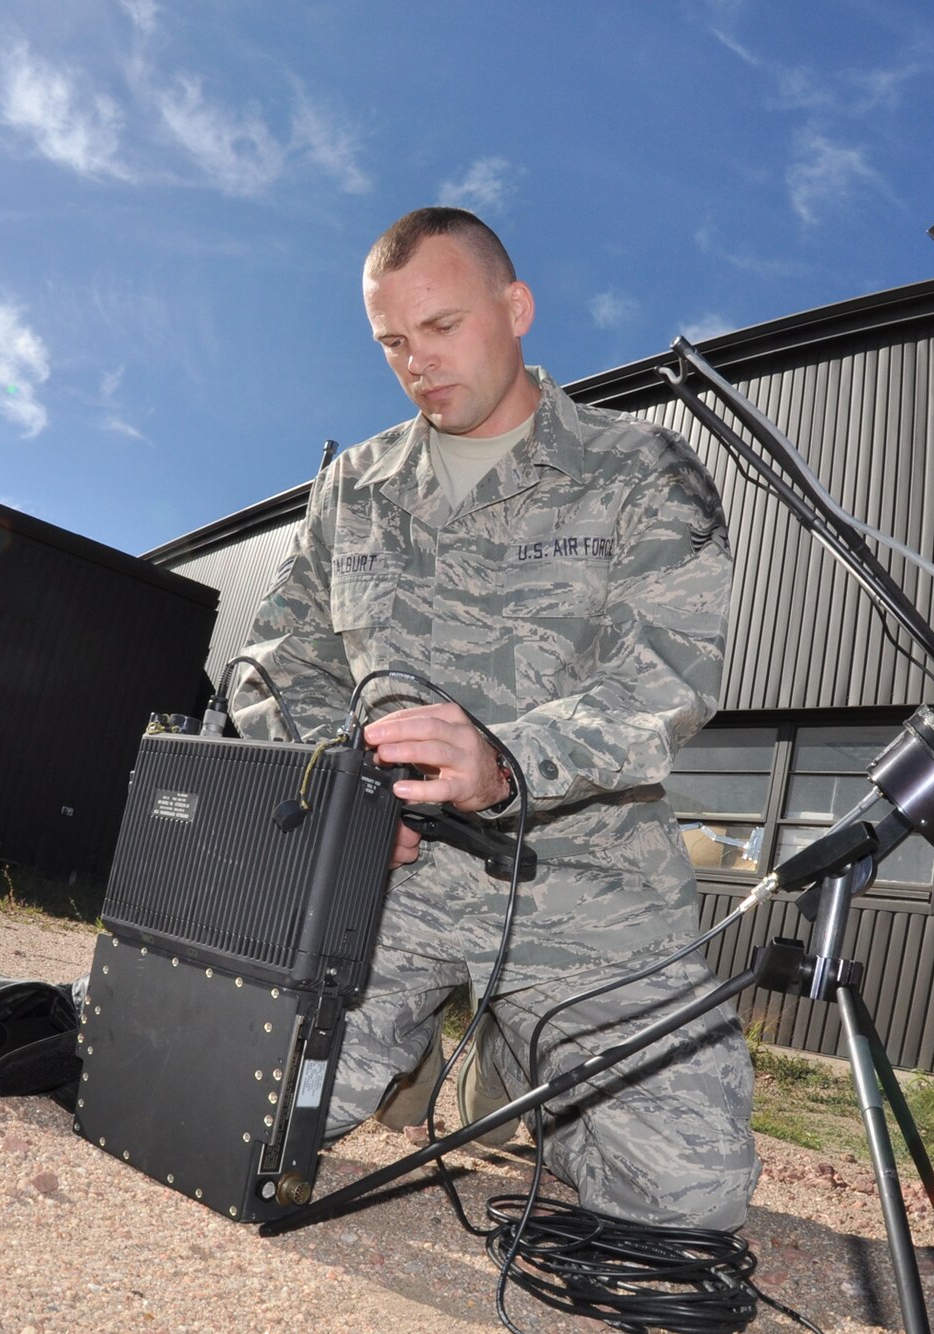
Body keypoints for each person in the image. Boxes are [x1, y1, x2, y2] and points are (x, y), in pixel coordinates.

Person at [230, 206, 758, 1231]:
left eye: (441, 326)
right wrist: (343, 799)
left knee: (687, 1202)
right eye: (391, 341)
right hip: (390, 875)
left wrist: (508, 759)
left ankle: (524, 1052)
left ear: (514, 308)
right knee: (224, 1104)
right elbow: (275, 660)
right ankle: (437, 1046)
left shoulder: (642, 470)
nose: (416, 362)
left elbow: (665, 679)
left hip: (579, 880)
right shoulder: (353, 487)